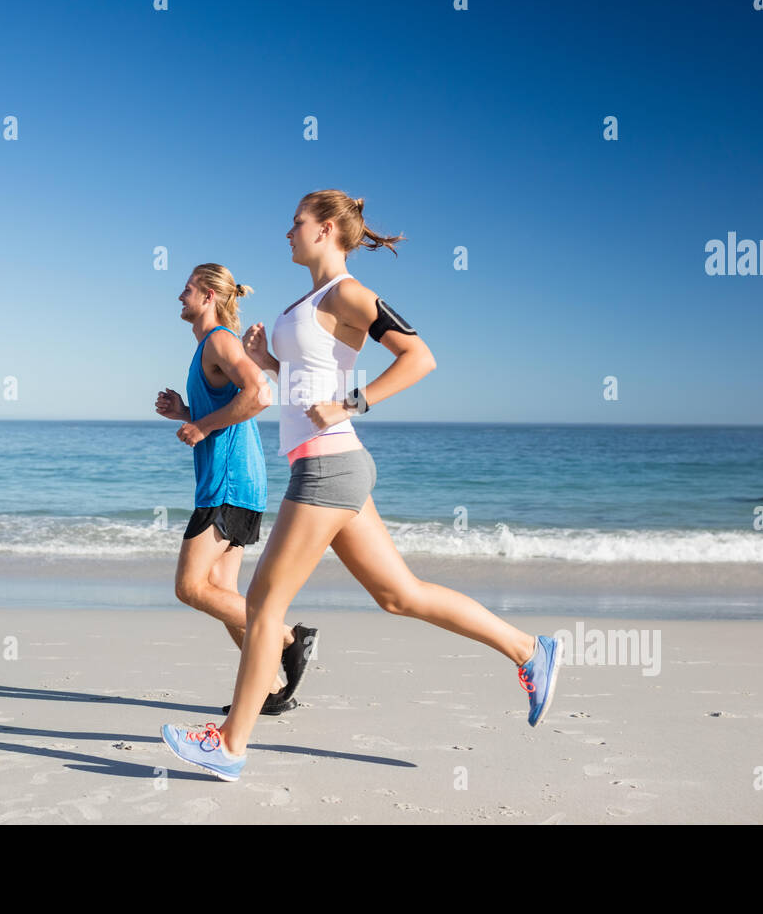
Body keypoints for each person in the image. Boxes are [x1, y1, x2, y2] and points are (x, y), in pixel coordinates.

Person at [161, 193, 564, 781]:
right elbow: (307, 383)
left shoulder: (348, 292)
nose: (288, 231)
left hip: (329, 465)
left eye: (297, 223)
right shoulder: (309, 300)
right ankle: (530, 650)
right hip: (329, 464)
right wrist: (269, 362)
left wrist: (354, 401)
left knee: (265, 605)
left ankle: (228, 745)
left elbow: (419, 357)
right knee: (400, 594)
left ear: (325, 229)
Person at [156, 263, 318, 715]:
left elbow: (260, 394)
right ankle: (266, 688)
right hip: (238, 481)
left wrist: (203, 426)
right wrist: (186, 412)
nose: (179, 296)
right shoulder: (208, 347)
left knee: (190, 588)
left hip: (228, 483)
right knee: (223, 589)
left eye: (186, 289)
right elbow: (233, 401)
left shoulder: (220, 340)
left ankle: (288, 638)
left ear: (208, 296)